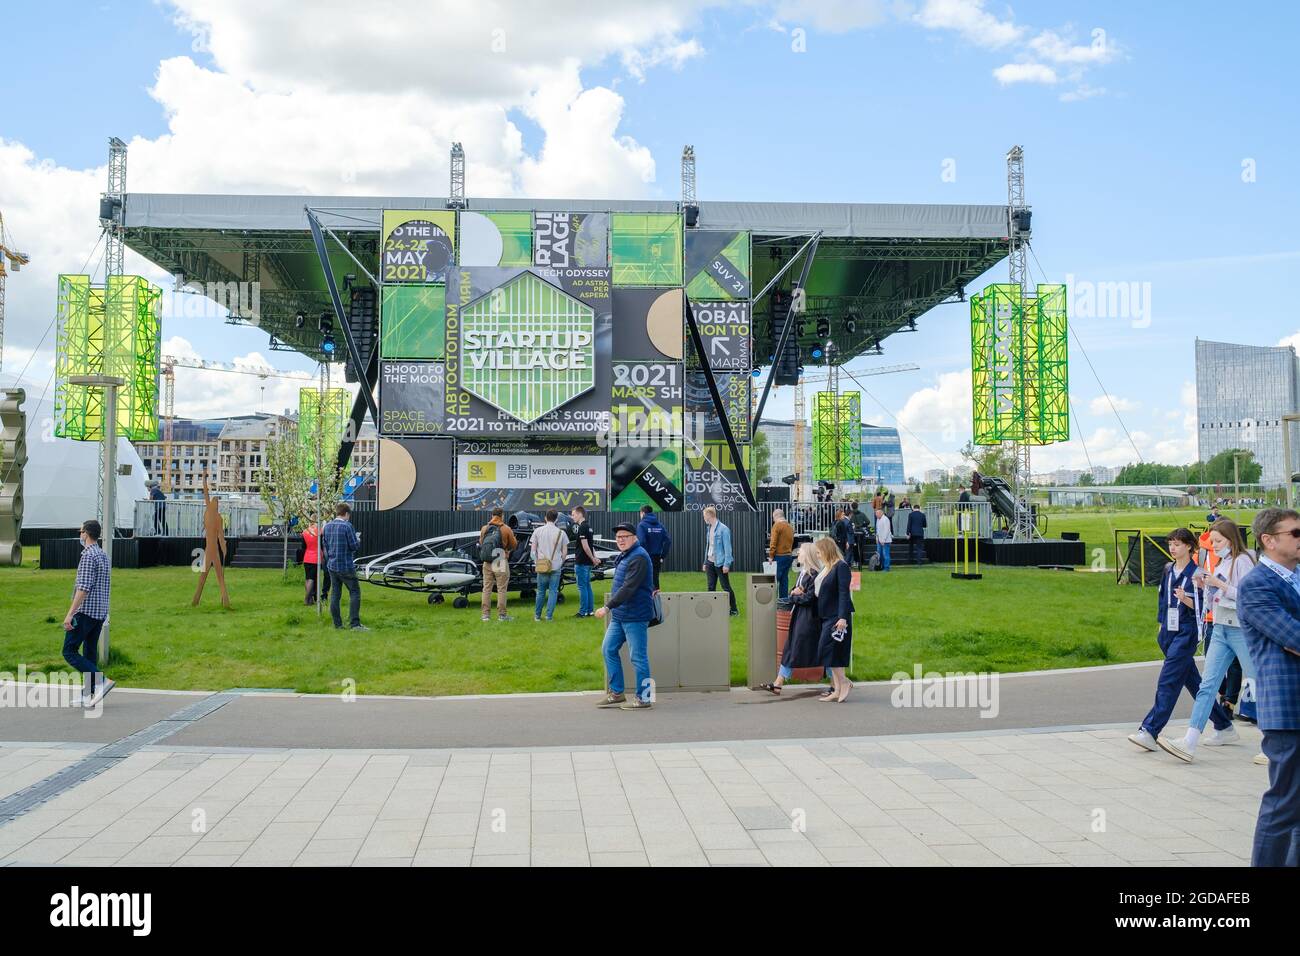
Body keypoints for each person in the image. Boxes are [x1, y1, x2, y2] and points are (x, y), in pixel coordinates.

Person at [1159, 519, 1257, 762]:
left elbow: (1246, 596)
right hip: (1221, 626)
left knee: (1256, 682)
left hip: (1240, 629)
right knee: (1207, 685)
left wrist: (1217, 583)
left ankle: (1273, 740)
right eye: (1211, 542)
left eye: (1217, 541)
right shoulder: (1222, 561)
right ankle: (1190, 741)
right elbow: (1217, 597)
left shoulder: (1244, 561)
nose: (1213, 546)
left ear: (1231, 540)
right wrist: (1206, 587)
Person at [1128, 528, 1232, 752]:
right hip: (1168, 631)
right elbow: (1162, 599)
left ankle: (1150, 730)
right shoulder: (1168, 569)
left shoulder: (1199, 574)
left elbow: (1206, 607)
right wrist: (1161, 624)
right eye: (1170, 544)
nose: (1173, 548)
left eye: (1177, 544)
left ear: (1189, 547)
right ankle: (1223, 725)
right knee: (1193, 682)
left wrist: (1187, 600)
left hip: (1187, 632)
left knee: (1169, 680)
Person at [1236, 508, 1300, 866]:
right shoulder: (1257, 584)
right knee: (1284, 804)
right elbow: (1293, 636)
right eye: (1296, 533)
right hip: (1288, 709)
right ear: (1269, 540)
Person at [596, 522, 656, 710]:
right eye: (618, 537)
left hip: (636, 615)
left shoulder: (638, 557)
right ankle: (616, 693)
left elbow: (628, 587)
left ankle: (644, 698)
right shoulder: (627, 555)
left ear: (634, 538)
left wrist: (607, 607)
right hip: (621, 615)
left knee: (638, 658)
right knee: (608, 649)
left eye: (625, 536)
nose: (620, 539)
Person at [62, 519, 115, 708]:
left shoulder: (87, 556)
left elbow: (83, 588)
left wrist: (70, 614)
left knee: (69, 651)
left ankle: (101, 681)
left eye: (81, 532)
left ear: (86, 533)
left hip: (85, 612)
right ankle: (88, 694)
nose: (80, 535)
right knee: (89, 652)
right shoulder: (103, 555)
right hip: (99, 613)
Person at [759, 542, 823, 694]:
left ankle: (840, 680)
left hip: (808, 618)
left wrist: (796, 596)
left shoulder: (813, 574)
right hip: (800, 615)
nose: (797, 554)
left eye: (800, 552)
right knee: (792, 647)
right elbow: (793, 591)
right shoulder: (803, 573)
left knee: (811, 649)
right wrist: (795, 593)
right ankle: (778, 683)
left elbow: (810, 598)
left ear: (807, 555)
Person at [812, 536, 855, 703]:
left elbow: (844, 592)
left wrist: (843, 617)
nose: (817, 555)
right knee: (831, 652)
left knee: (828, 649)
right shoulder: (828, 567)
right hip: (827, 615)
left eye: (818, 552)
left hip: (837, 617)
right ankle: (837, 689)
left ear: (826, 550)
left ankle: (844, 682)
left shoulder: (841, 567)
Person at [323, 502, 367, 631]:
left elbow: (325, 545)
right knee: (355, 592)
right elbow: (354, 546)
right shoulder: (348, 526)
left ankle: (338, 625)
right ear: (347, 514)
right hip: (346, 565)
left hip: (332, 565)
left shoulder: (327, 526)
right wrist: (358, 540)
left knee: (335, 594)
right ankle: (355, 624)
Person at [478, 506, 518, 622]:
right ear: (502, 516)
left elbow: (481, 542)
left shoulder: (485, 528)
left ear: (492, 515)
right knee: (501, 589)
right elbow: (514, 545)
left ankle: (485, 615)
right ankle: (502, 615)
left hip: (487, 560)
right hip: (500, 559)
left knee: (486, 588)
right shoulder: (506, 529)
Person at [530, 509, 567, 622]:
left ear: (545, 518)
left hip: (541, 566)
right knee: (553, 591)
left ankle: (537, 616)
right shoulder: (562, 533)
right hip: (555, 566)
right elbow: (564, 552)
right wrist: (560, 562)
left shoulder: (537, 531)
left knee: (540, 592)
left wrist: (536, 562)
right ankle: (549, 616)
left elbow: (532, 551)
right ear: (556, 519)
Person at [702, 506, 738, 616]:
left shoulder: (723, 529)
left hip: (720, 563)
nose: (703, 518)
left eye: (704, 516)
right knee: (710, 587)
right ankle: (711, 610)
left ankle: (734, 610)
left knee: (725, 587)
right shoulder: (709, 528)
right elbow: (708, 546)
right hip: (710, 562)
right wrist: (705, 562)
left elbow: (728, 548)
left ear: (709, 516)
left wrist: (727, 564)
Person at [636, 505, 671, 590]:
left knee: (643, 580)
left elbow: (642, 542)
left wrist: (642, 554)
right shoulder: (660, 525)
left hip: (645, 556)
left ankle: (645, 601)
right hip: (657, 557)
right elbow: (668, 541)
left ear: (643, 513)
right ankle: (656, 602)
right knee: (655, 580)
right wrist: (662, 556)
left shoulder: (642, 525)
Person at [570, 505, 597, 617]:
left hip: (582, 561)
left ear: (580, 514)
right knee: (587, 586)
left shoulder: (582, 527)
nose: (572, 517)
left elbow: (586, 546)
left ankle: (583, 612)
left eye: (573, 514)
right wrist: (594, 558)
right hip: (588, 562)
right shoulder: (589, 527)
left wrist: (593, 558)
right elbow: (591, 546)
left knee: (582, 587)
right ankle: (590, 610)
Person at [301, 521, 330, 606]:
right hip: (316, 557)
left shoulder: (305, 531)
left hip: (307, 557)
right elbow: (322, 545)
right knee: (312, 579)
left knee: (307, 578)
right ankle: (307, 599)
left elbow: (303, 547)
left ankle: (309, 599)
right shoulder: (319, 532)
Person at [768, 508, 795, 599]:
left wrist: (771, 556)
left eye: (773, 518)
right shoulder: (790, 526)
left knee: (773, 581)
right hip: (788, 556)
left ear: (776, 516)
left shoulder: (777, 525)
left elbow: (773, 542)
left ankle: (770, 602)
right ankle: (783, 602)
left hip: (779, 556)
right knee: (784, 580)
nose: (773, 520)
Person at [849, 502, 870, 569]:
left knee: (854, 548)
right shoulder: (862, 514)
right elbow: (868, 521)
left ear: (852, 507)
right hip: (861, 532)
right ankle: (860, 562)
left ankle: (855, 561)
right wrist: (862, 525)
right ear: (857, 506)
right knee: (861, 548)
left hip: (853, 532)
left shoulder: (851, 515)